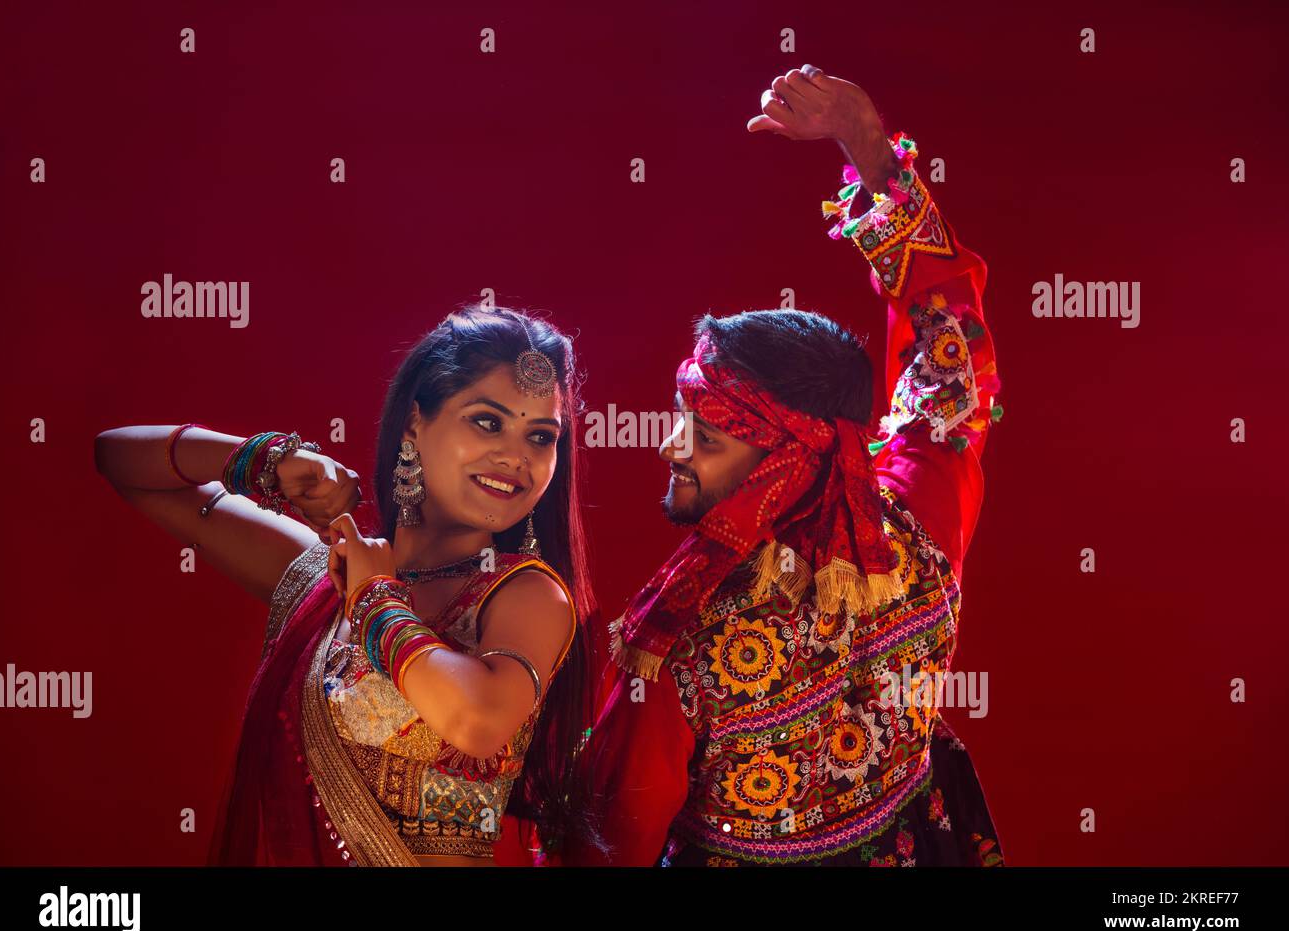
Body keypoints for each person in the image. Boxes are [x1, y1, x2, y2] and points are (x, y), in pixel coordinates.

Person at [564, 66, 1006, 866]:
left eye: (707, 432)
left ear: (788, 458)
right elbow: (950, 331)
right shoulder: (919, 518)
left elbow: (609, 846)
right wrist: (867, 144)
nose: (669, 447)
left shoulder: (678, 644)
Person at [94, 305, 602, 866]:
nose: (516, 457)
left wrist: (372, 597)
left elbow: (476, 720)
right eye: (488, 421)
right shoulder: (324, 575)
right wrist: (265, 461)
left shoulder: (526, 595)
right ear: (415, 422)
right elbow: (118, 457)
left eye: (540, 436)